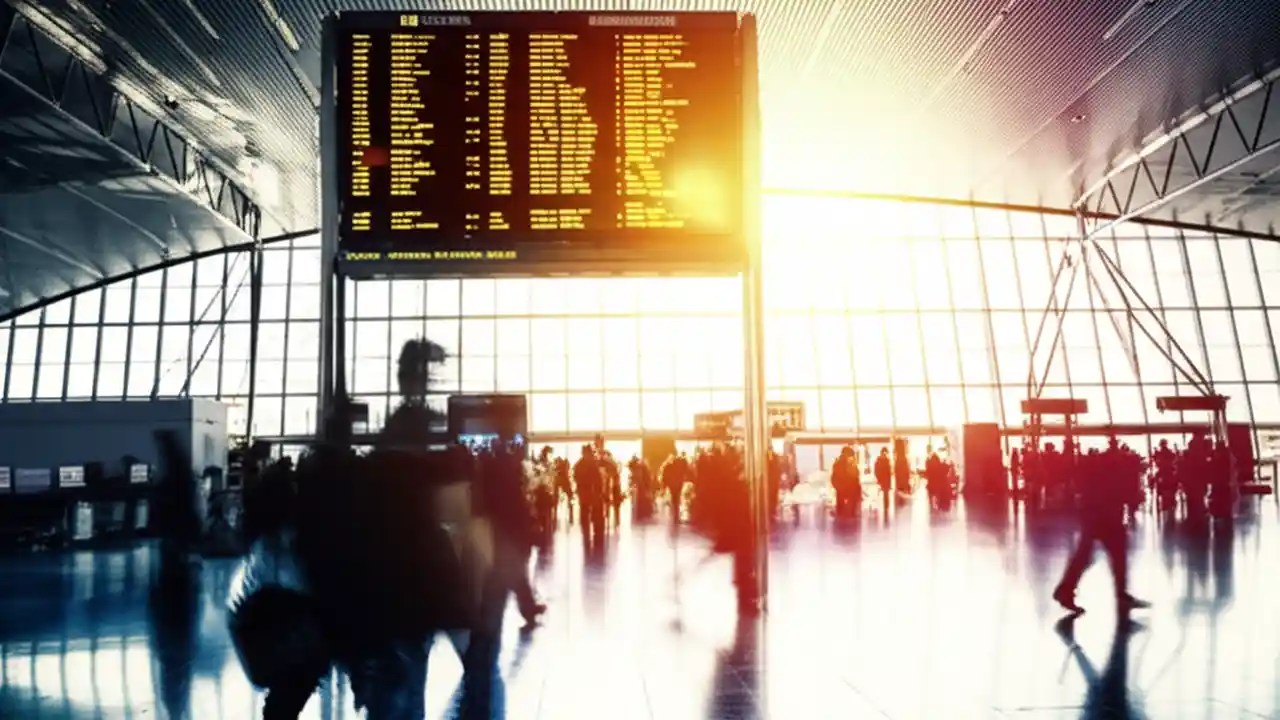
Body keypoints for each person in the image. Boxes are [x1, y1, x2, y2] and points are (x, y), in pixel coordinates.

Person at [1053, 444, 1149, 614]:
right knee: (1112, 555)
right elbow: (1124, 494)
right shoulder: (1118, 472)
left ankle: (1066, 590)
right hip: (1106, 517)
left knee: (1088, 555)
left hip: (1097, 515)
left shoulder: (1103, 471)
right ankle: (1120, 595)